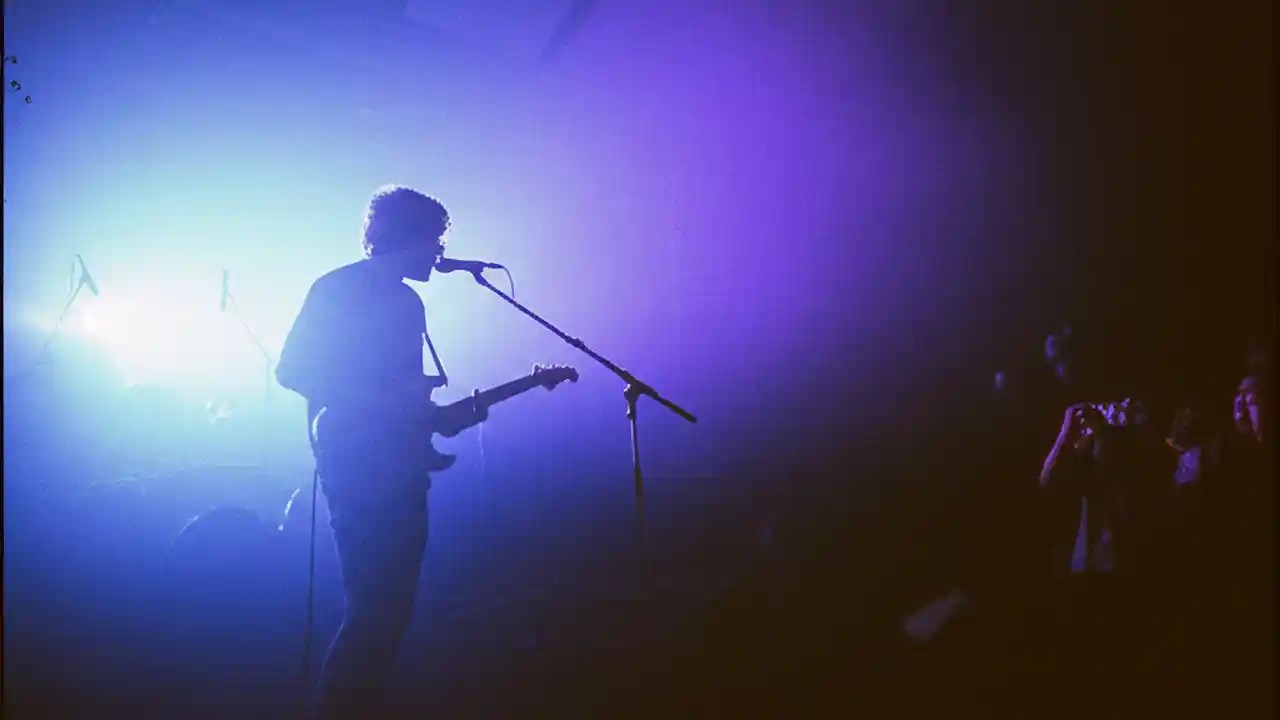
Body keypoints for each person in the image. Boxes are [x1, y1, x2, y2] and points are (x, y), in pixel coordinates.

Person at [276, 185, 488, 719]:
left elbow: (408, 403)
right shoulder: (338, 289)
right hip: (359, 464)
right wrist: (379, 403)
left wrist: (440, 420)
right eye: (434, 239)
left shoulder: (407, 301)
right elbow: (293, 370)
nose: (438, 254)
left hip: (401, 468)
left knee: (390, 612)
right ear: (407, 235)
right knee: (374, 611)